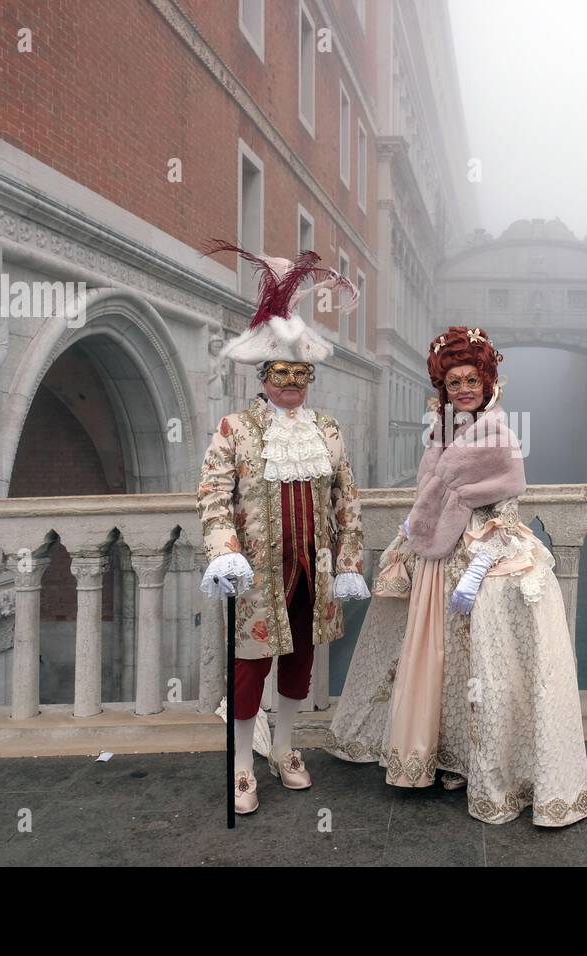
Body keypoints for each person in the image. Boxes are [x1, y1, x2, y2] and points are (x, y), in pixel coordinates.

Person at [326, 325, 587, 827]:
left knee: (486, 672)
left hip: (480, 562)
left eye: (471, 379)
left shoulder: (498, 434)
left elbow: (508, 506)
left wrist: (477, 569)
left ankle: (492, 771)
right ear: (443, 389)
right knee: (443, 666)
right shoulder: (442, 432)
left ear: (487, 382)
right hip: (435, 561)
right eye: (454, 382)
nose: (464, 388)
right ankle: (452, 759)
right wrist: (413, 528)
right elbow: (429, 493)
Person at [197, 244, 370, 817]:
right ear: (264, 375)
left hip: (312, 570)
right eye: (281, 373)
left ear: (310, 377)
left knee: (300, 665)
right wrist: (224, 552)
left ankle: (288, 749)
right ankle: (243, 762)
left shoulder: (328, 429)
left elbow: (348, 501)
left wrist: (348, 562)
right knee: (250, 666)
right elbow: (214, 495)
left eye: (301, 373)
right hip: (258, 572)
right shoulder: (235, 429)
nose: (292, 382)